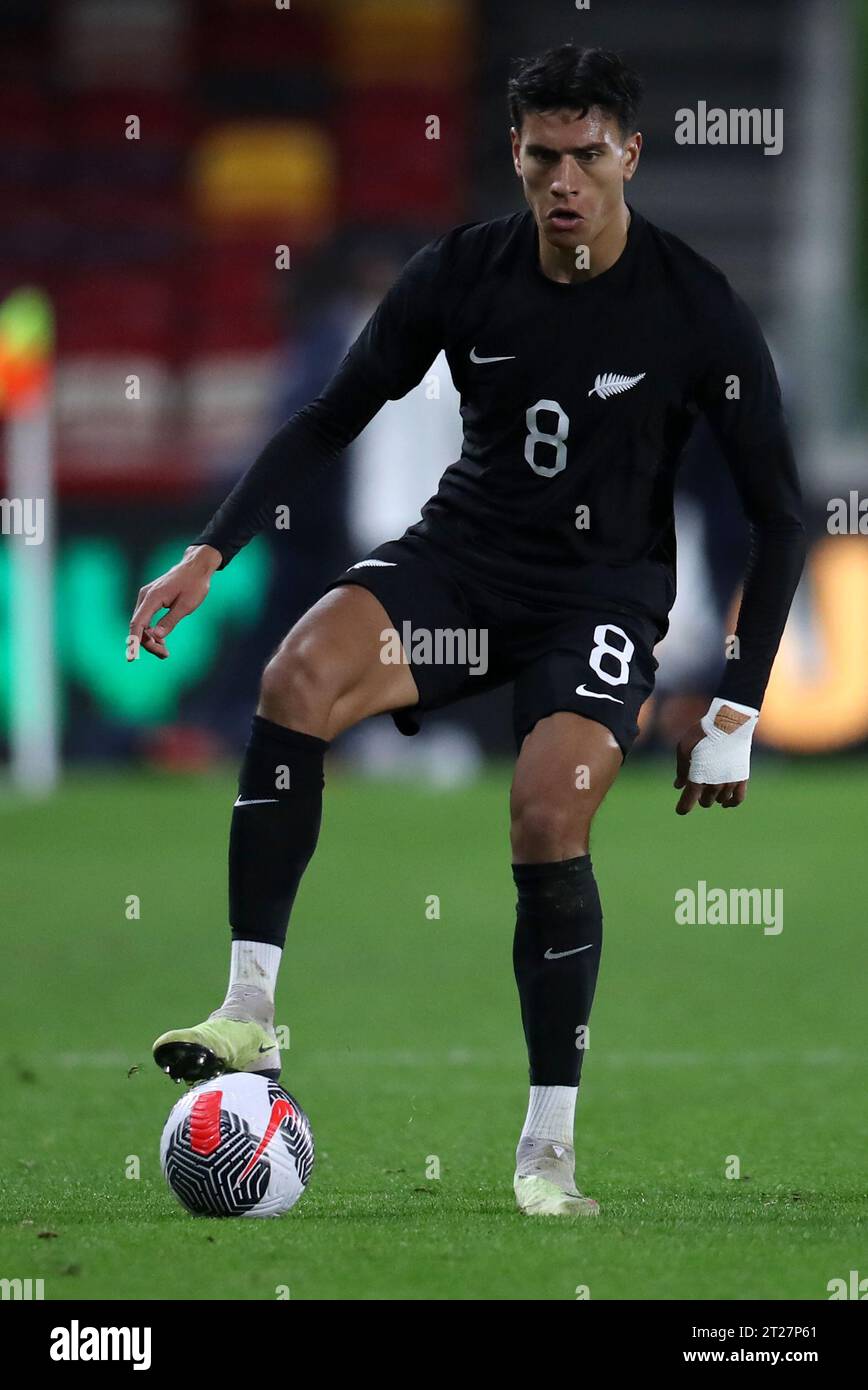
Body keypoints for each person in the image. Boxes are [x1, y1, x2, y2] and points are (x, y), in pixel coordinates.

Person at [129, 45, 805, 1217]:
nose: (564, 181)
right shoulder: (462, 273)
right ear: (515, 153)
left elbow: (779, 515)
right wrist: (210, 549)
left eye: (588, 156)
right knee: (295, 675)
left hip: (597, 599)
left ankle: (546, 1152)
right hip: (461, 566)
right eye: (543, 155)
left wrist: (737, 707)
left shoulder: (693, 305)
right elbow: (332, 412)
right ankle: (248, 1008)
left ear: (628, 155)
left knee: (545, 813)